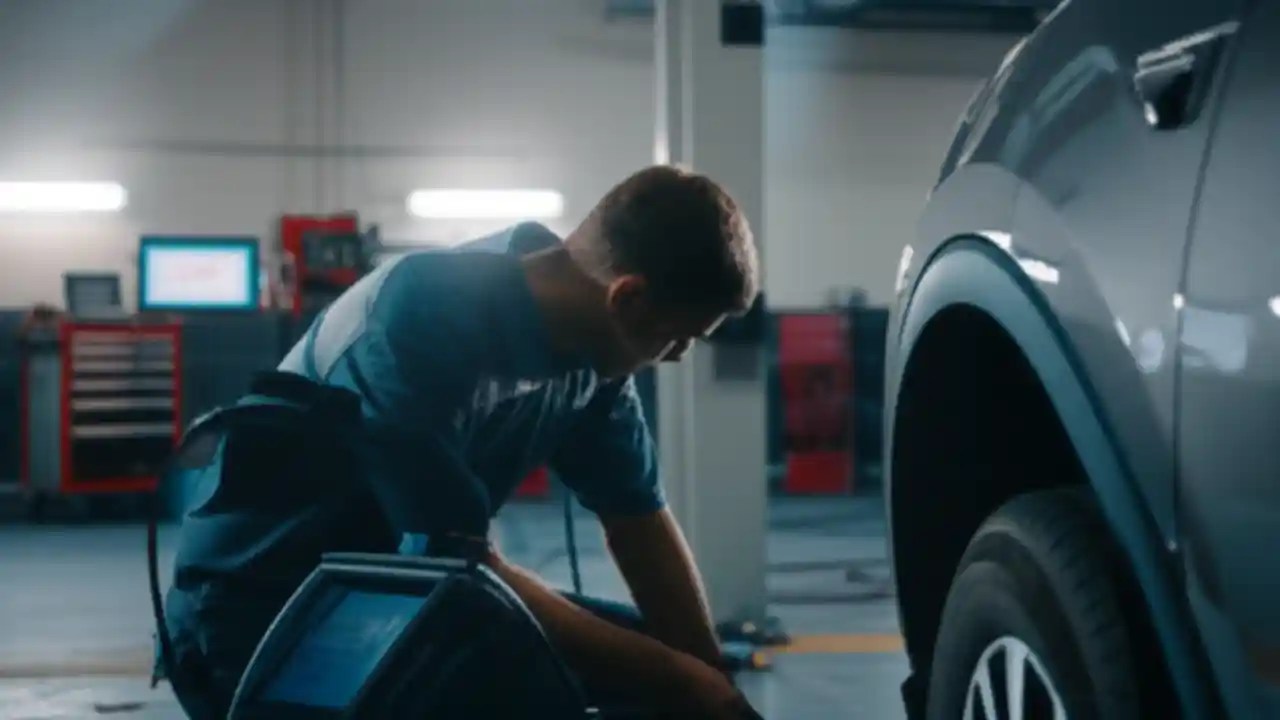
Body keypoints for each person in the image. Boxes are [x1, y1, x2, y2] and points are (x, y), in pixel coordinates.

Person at [163, 164, 764, 719]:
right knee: (567, 693)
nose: (678, 355)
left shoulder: (595, 359)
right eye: (679, 338)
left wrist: (709, 680)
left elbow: (637, 519)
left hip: (398, 599)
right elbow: (457, 560)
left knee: (655, 675)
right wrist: (679, 681)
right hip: (258, 627)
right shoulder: (424, 312)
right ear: (627, 298)